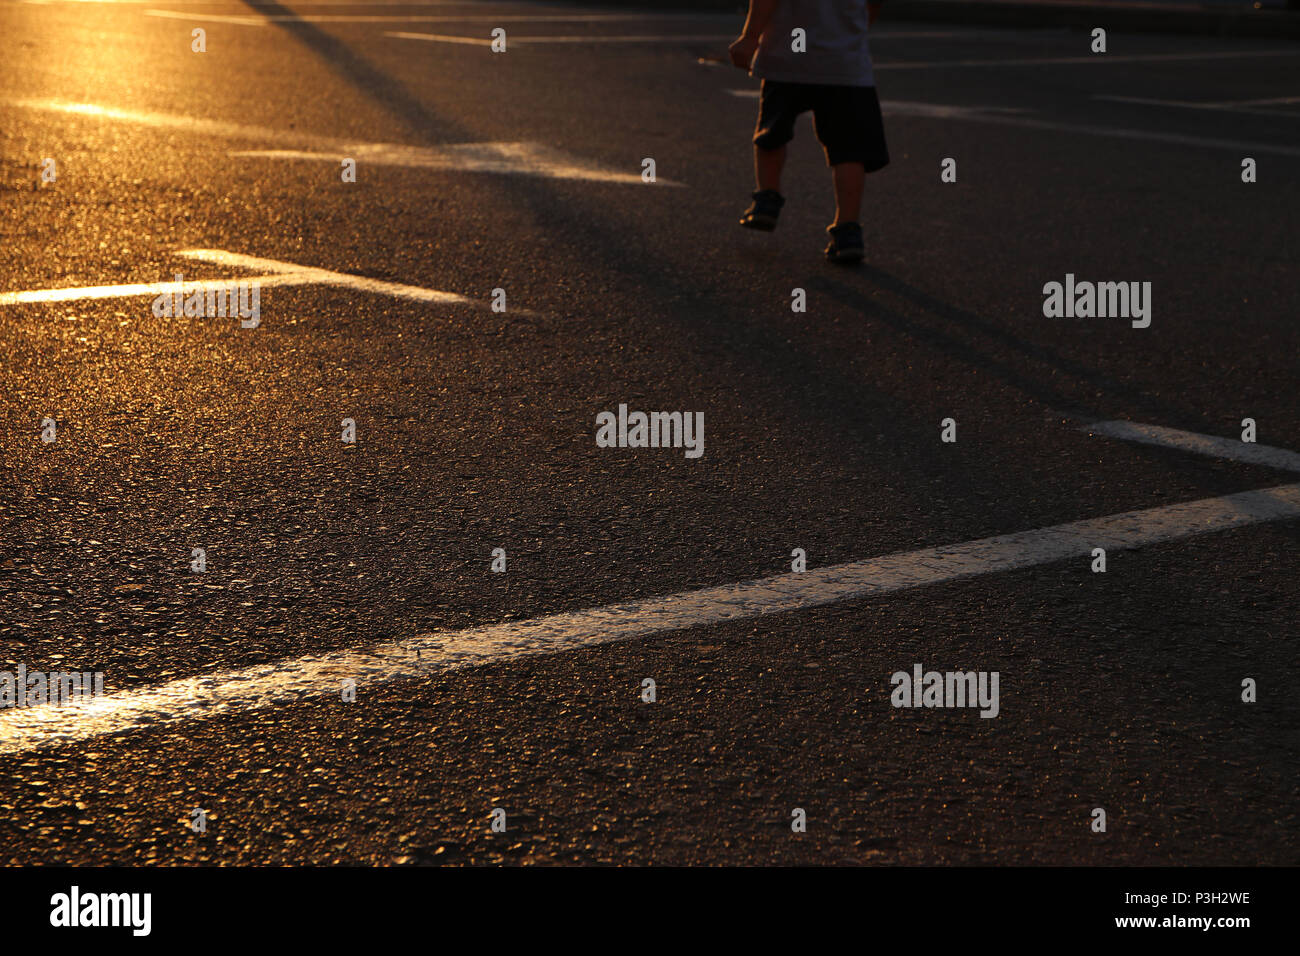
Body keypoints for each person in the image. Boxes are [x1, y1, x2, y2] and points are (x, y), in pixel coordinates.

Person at [729, 0, 888, 264]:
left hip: (785, 59)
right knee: (849, 151)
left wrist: (750, 37)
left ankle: (767, 197)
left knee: (772, 132)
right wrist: (856, 32)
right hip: (844, 65)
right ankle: (847, 230)